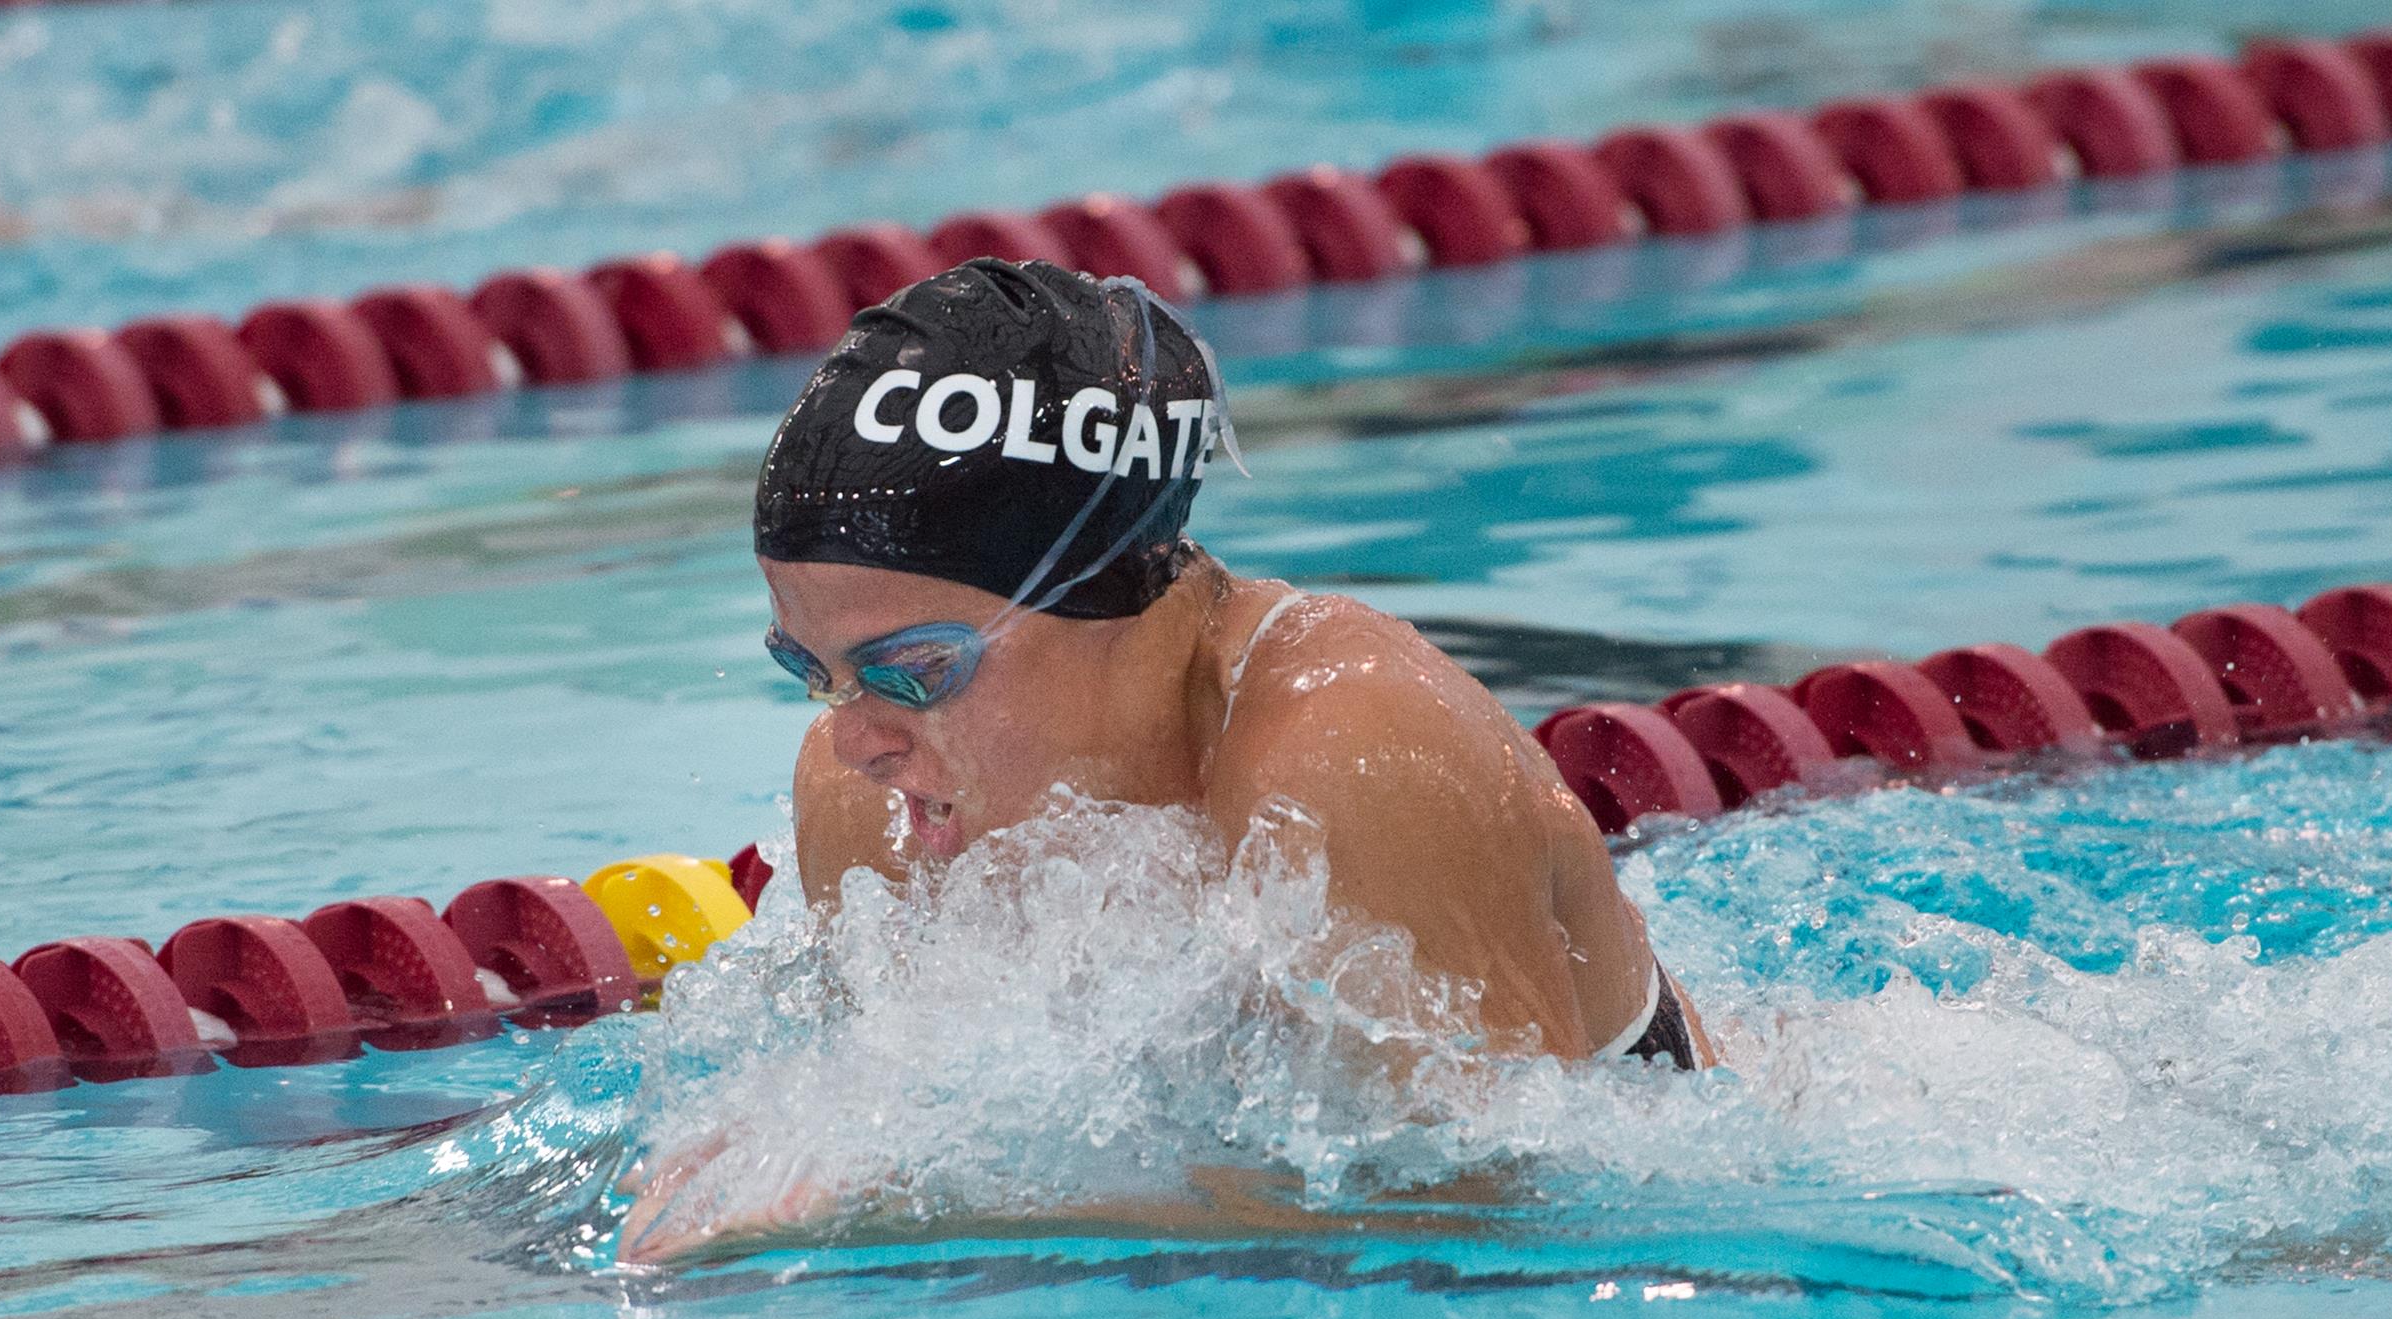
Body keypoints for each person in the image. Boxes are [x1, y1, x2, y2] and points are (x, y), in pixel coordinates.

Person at [621, 258, 1706, 1261]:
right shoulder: (874, 811)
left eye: (912, 670)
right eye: (811, 672)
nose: (855, 739)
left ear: (1097, 596)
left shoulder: (1355, 750)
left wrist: (927, 1200)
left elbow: (1496, 1210)